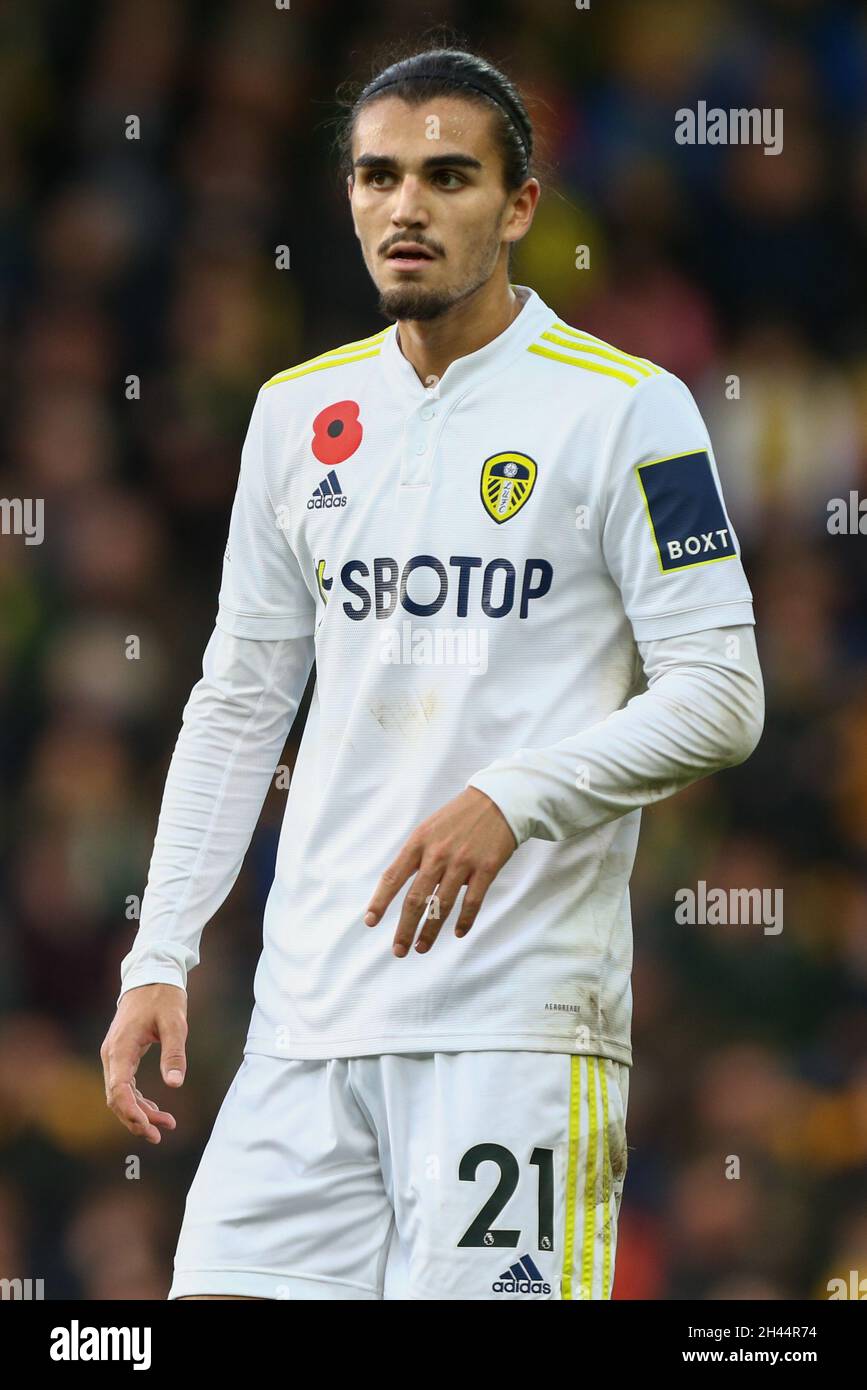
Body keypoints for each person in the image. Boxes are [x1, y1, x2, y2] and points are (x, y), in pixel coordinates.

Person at [100, 43, 764, 1301]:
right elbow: (240, 699)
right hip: (307, 1026)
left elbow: (723, 694)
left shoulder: (633, 412)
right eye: (378, 176)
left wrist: (517, 797)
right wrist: (160, 951)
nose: (406, 207)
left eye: (448, 177)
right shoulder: (296, 415)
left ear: (519, 207)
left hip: (511, 1025)